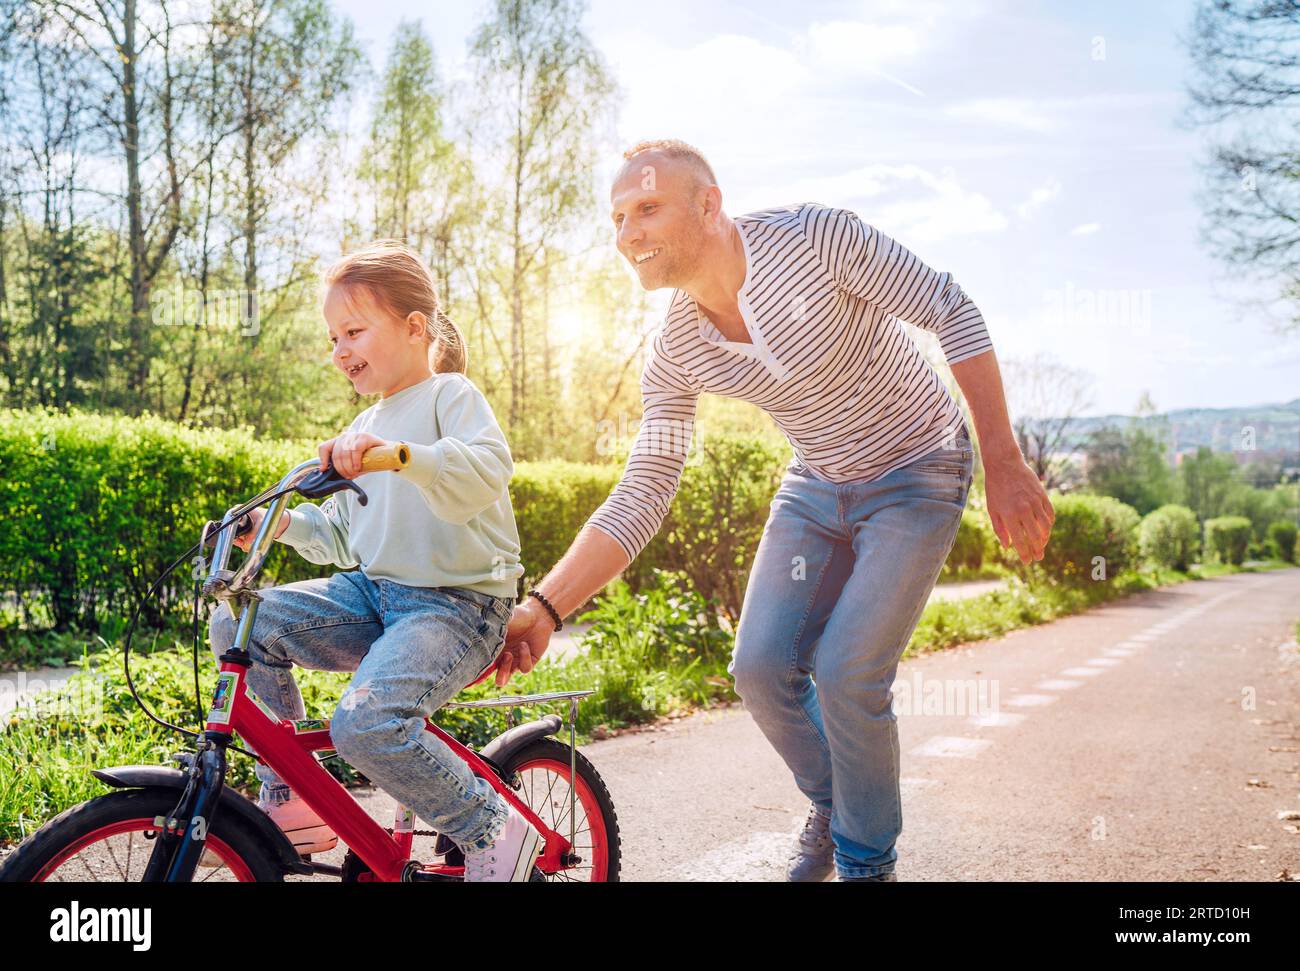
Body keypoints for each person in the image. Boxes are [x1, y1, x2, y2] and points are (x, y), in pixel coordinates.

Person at [499, 140, 1055, 882]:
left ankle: (866, 863)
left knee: (848, 669)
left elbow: (948, 304)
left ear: (709, 201)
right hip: (818, 483)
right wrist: (545, 606)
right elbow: (647, 484)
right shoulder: (675, 348)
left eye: (647, 208)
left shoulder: (816, 239)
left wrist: (1003, 456)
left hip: (919, 467)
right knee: (760, 665)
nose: (628, 232)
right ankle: (836, 804)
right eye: (618, 217)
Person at [204, 240, 540, 881]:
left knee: (365, 723)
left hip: (456, 605)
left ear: (415, 328)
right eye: (334, 337)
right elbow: (342, 538)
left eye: (354, 331)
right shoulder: (367, 422)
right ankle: (291, 794)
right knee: (239, 624)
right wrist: (273, 527)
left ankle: (493, 830)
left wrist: (401, 455)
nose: (340, 351)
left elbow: (488, 470)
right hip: (373, 593)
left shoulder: (450, 396)